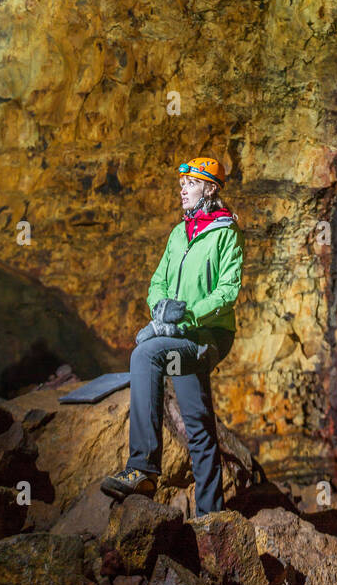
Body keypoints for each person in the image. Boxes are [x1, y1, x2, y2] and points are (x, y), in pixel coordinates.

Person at [100, 157, 243, 514]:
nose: (182, 188)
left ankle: (144, 467)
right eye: (182, 182)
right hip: (181, 341)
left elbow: (228, 291)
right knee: (197, 421)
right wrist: (160, 309)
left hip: (208, 337)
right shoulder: (179, 234)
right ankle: (211, 514)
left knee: (145, 354)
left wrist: (188, 315)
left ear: (210, 189)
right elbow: (158, 281)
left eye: (191, 183)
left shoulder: (226, 234)